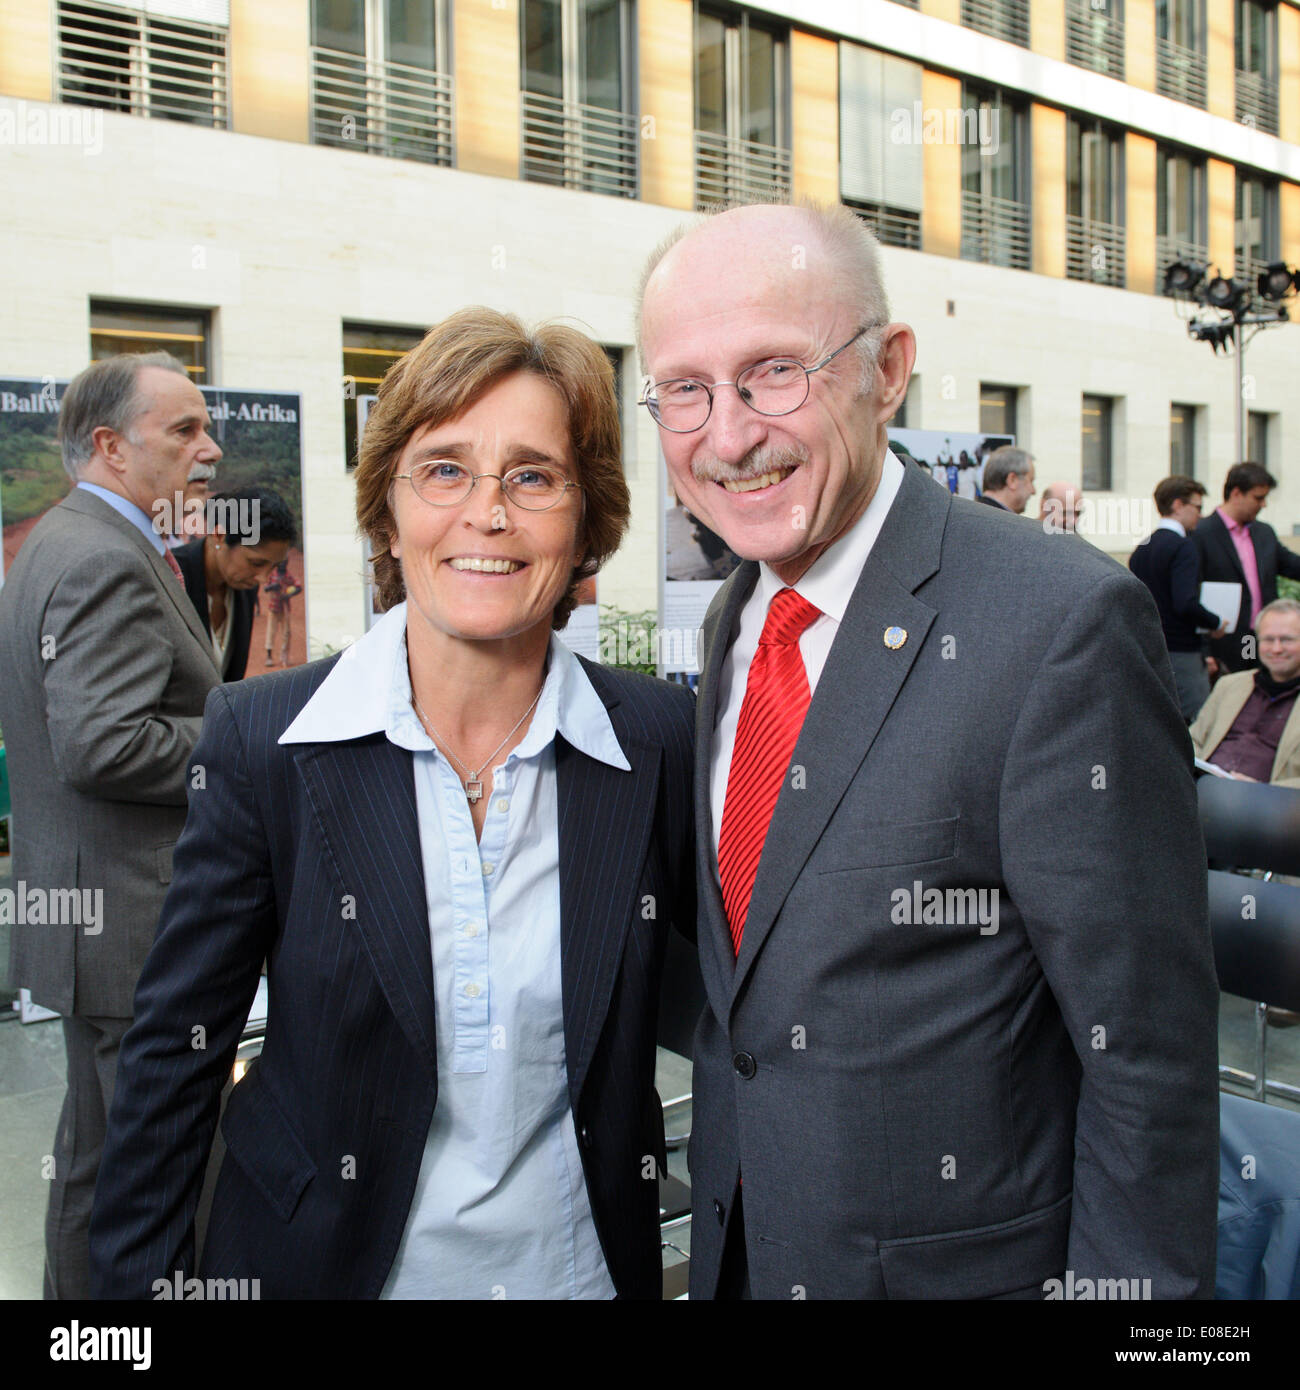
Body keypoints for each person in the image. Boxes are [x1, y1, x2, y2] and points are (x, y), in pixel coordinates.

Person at [636, 200, 1219, 1300]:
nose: (726, 434)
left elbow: (1146, 1052)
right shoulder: (738, 616)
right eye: (683, 388)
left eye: (772, 371)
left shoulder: (1057, 623)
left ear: (887, 367)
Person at [89, 308, 695, 1299]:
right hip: (314, 1269)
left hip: (574, 1274)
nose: (486, 514)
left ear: (586, 521)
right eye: (444, 469)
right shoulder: (265, 741)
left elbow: (747, 1013)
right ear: (386, 509)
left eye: (533, 476)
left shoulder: (656, 742)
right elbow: (172, 1058)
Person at [0, 352, 223, 1299]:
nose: (209, 451)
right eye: (184, 430)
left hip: (94, 919)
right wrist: (238, 733)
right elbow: (103, 744)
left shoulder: (63, 540)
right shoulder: (102, 557)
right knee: (150, 1169)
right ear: (109, 445)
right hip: (130, 923)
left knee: (96, 1158)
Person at [174, 486, 297, 680]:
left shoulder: (245, 585)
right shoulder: (169, 578)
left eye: (274, 567)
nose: (263, 579)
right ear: (220, 536)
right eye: (255, 563)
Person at [1129, 476, 1225, 721]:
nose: (1200, 515)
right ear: (1178, 505)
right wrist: (1215, 622)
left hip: (1149, 650)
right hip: (1182, 652)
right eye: (1198, 507)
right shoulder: (1183, 547)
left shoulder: (1141, 549)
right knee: (1198, 723)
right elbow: (1185, 602)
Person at [1194, 462, 1300, 674]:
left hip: (1261, 638)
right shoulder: (1201, 533)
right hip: (1223, 640)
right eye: (1258, 498)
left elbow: (1292, 565)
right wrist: (1204, 650)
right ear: (1236, 493)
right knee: (1234, 697)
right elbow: (1192, 592)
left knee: (1260, 692)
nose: (1263, 505)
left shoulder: (1264, 533)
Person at [1190, 599, 1300, 786]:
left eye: (1287, 639)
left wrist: (1262, 791)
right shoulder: (1230, 685)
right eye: (1268, 639)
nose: (1276, 648)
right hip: (1203, 791)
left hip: (1271, 807)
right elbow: (1193, 739)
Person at [262, 557, 301, 666]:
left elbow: (298, 586)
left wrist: (288, 595)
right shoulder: (272, 575)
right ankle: (269, 656)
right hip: (273, 608)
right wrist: (272, 586)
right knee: (271, 632)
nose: (283, 564)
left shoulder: (288, 576)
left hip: (284, 608)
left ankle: (284, 657)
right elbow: (265, 588)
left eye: (285, 562)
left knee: (286, 633)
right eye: (282, 562)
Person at [977, 445, 1035, 514]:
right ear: (1012, 480)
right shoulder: (1003, 522)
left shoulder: (969, 515)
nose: (1033, 491)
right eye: (1030, 481)